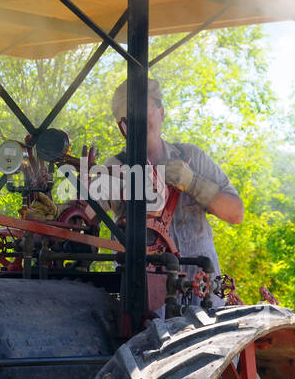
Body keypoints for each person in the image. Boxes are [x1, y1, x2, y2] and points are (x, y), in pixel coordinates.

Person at [102, 77, 244, 287]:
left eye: (144, 111)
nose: (138, 120)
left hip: (203, 293)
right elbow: (84, 211)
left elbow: (236, 213)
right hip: (145, 304)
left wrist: (193, 183)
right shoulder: (113, 169)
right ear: (122, 127)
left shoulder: (192, 157)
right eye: (130, 116)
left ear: (161, 113)